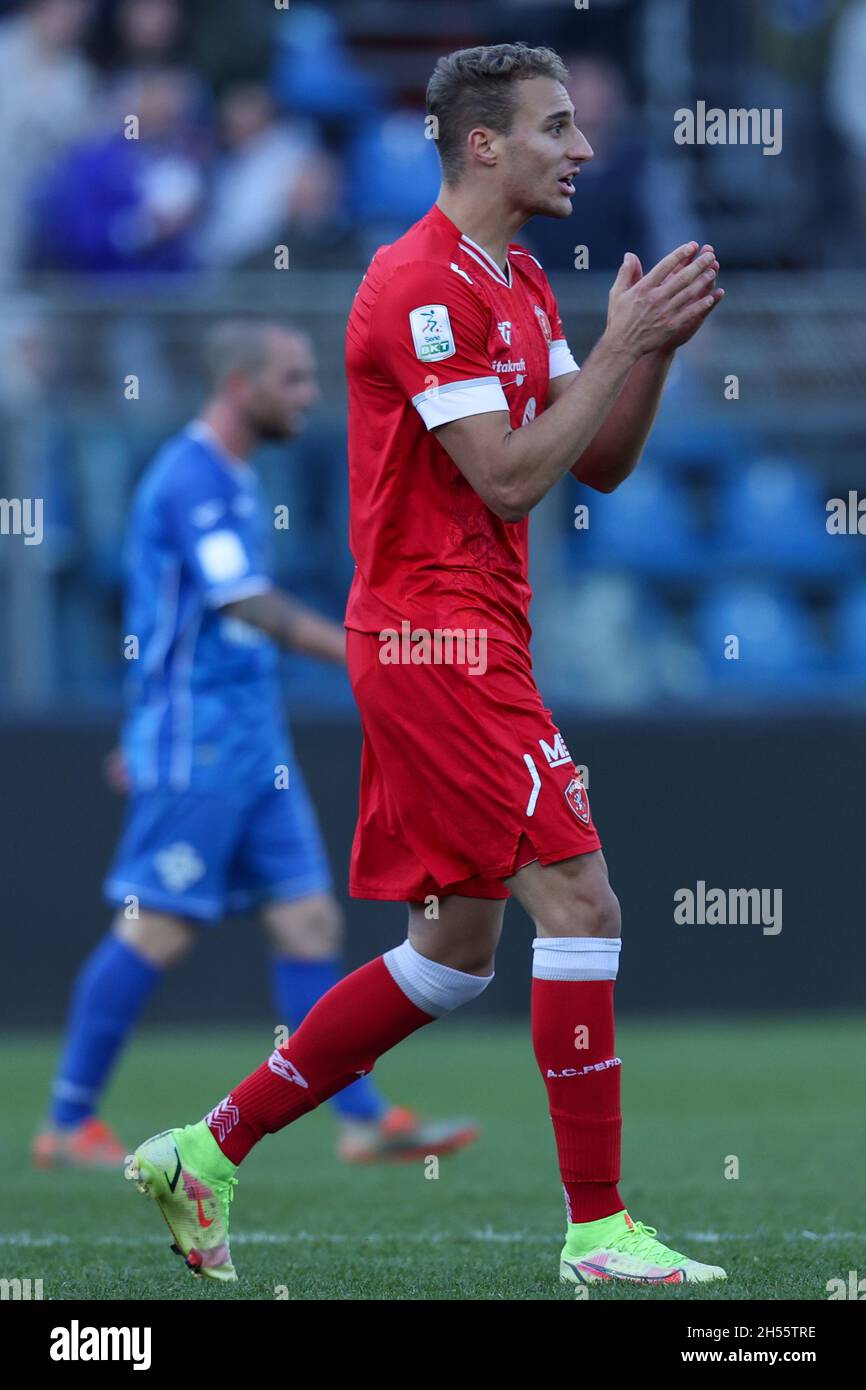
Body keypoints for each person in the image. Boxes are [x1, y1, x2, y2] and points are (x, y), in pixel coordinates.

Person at [126, 42, 725, 1289]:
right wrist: (617, 345)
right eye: (556, 127)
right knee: (583, 903)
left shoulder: (515, 282)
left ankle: (205, 1149)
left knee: (452, 956)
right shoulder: (416, 284)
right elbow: (505, 472)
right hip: (431, 637)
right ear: (482, 145)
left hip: (472, 632)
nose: (581, 149)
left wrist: (645, 345)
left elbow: (593, 461)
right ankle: (598, 1228)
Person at [33, 318, 478, 1171]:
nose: (310, 396)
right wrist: (369, 648)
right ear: (241, 386)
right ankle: (67, 1121)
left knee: (309, 920)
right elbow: (243, 604)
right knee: (158, 929)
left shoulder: (233, 479)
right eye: (294, 379)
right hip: (197, 740)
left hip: (251, 737)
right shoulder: (189, 477)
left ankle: (362, 1119)